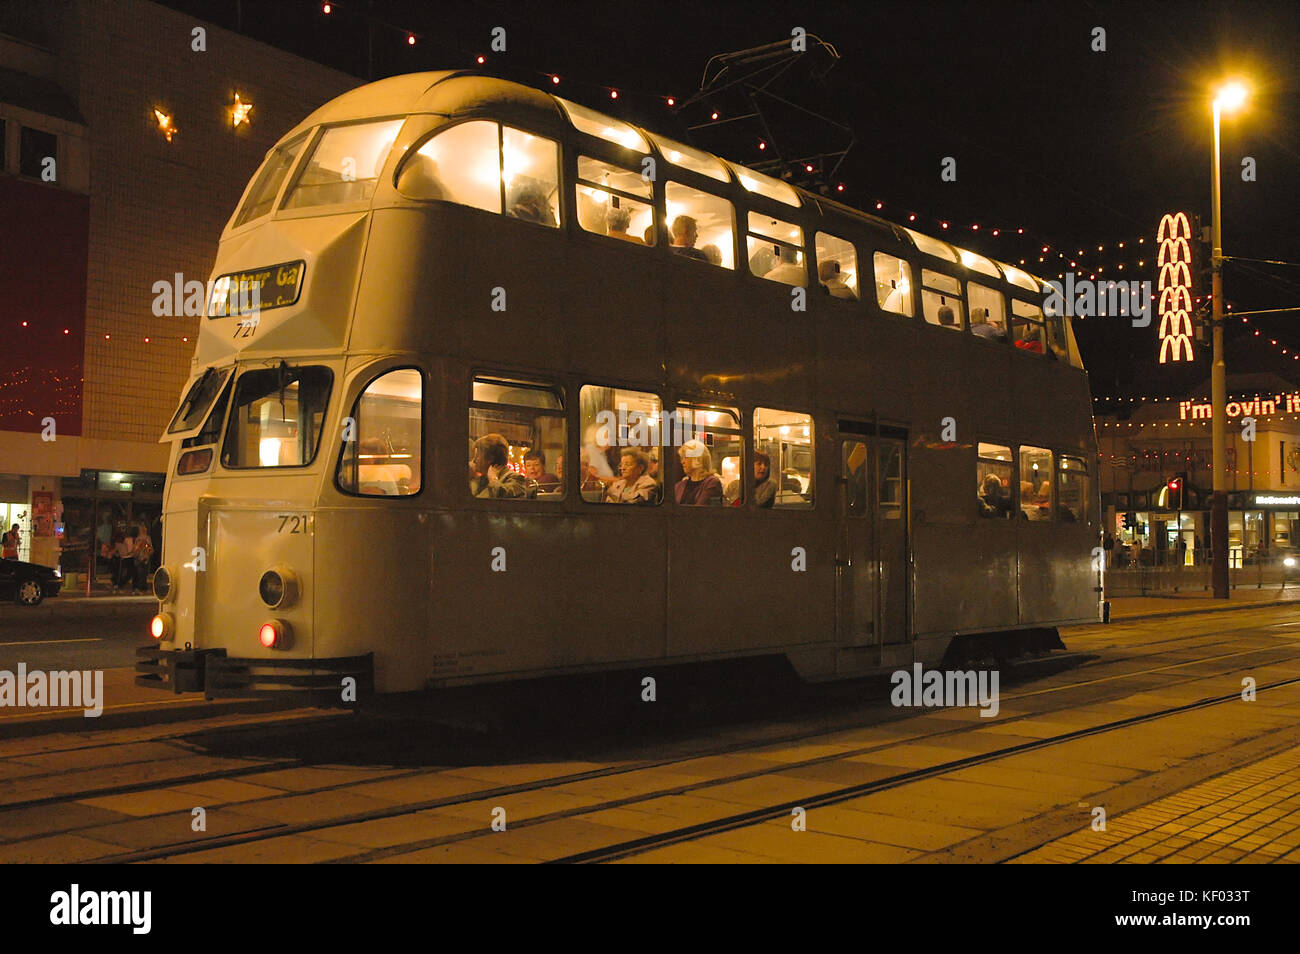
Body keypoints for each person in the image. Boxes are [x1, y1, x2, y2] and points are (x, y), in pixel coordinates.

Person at [470, 434, 528, 498]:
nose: (474, 461)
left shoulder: (516, 479)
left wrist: (493, 480)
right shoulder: (481, 480)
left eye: (477, 456)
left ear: (490, 458)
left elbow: (500, 499)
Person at [675, 439, 723, 505]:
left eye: (686, 457)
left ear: (698, 458)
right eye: (682, 458)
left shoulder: (712, 483)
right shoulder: (679, 486)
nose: (682, 462)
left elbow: (700, 510)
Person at [132, 524, 154, 593]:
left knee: (142, 573)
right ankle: (141, 588)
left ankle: (142, 587)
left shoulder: (142, 538)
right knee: (142, 573)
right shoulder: (143, 538)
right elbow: (147, 547)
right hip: (142, 557)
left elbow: (149, 547)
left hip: (143, 557)